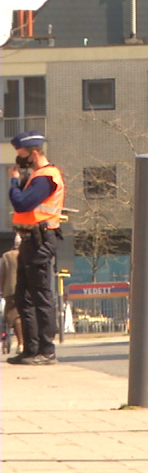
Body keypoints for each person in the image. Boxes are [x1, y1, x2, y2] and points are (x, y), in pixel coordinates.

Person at [7, 131, 64, 365]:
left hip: (41, 240)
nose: (19, 159)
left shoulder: (46, 177)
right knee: (24, 296)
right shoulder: (36, 176)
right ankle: (30, 349)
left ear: (34, 153)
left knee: (40, 295)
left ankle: (46, 350)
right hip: (30, 240)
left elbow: (22, 202)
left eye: (21, 154)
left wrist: (13, 181)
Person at [2, 239, 23, 354]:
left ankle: (20, 343)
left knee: (14, 316)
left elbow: (2, 275)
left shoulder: (7, 256)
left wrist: (3, 289)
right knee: (26, 315)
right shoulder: (27, 254)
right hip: (27, 289)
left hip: (11, 290)